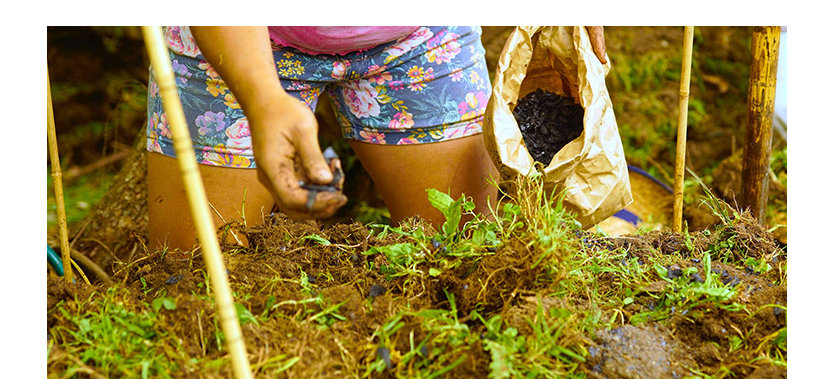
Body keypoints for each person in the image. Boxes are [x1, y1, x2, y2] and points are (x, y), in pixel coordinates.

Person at [145, 26, 606, 251]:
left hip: (416, 36)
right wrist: (261, 99)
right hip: (235, 36)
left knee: (468, 253)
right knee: (189, 278)